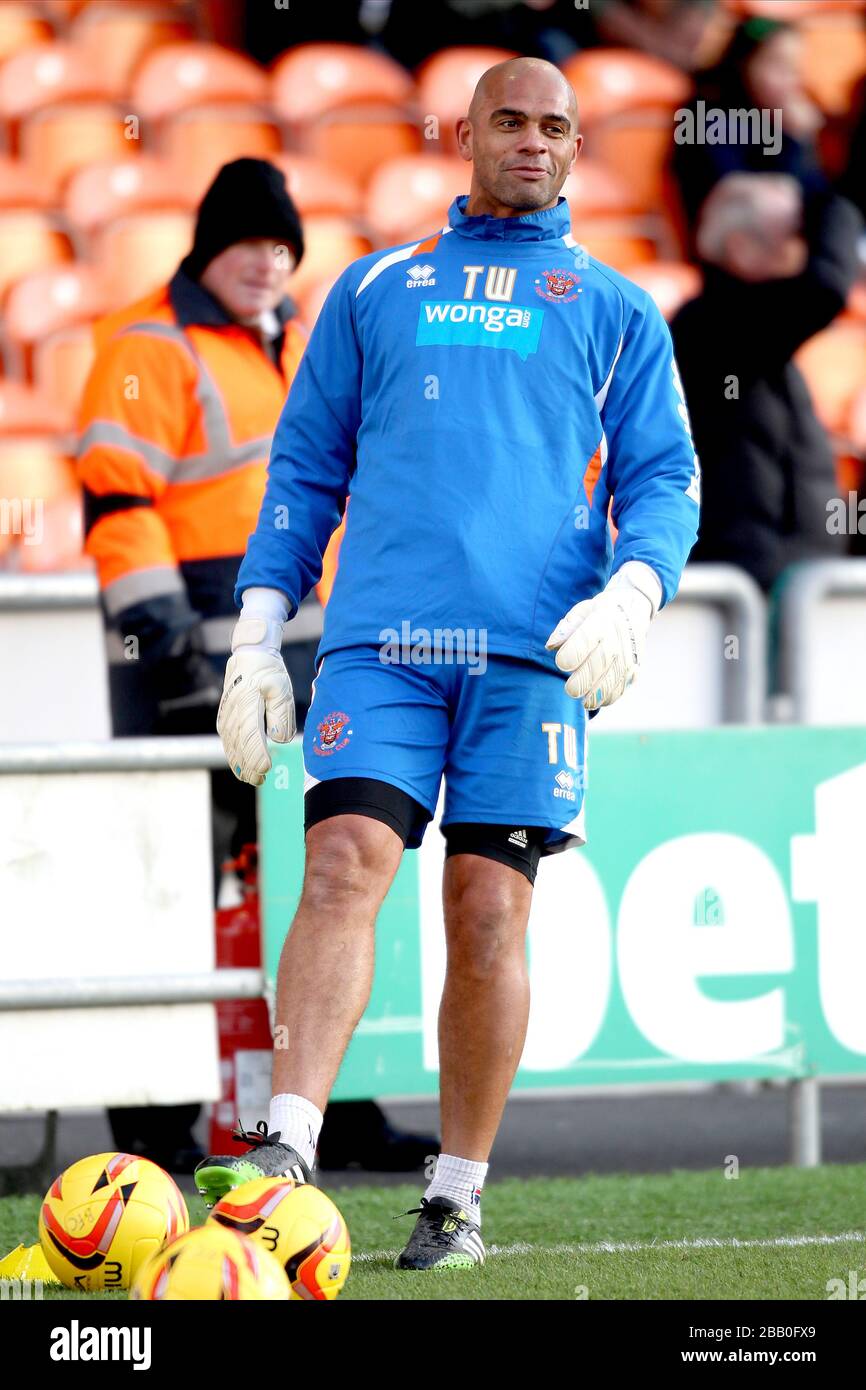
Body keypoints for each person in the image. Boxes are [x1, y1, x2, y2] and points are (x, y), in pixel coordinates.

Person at [200, 57, 699, 1270]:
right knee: (342, 857)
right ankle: (285, 1146)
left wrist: (634, 593)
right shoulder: (375, 289)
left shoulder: (615, 307)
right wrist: (257, 635)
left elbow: (664, 482)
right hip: (382, 642)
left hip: (532, 653)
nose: (532, 142)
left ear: (578, 151)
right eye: (510, 121)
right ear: (465, 132)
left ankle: (455, 1198)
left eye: (556, 128)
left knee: (486, 909)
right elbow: (305, 469)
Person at [77, 158, 432, 1174]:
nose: (269, 262)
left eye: (284, 247)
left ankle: (329, 1111)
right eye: (250, 242)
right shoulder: (150, 345)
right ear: (207, 245)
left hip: (297, 650)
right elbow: (116, 506)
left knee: (321, 882)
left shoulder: (290, 346)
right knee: (177, 891)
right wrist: (174, 654)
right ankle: (150, 1130)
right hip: (188, 658)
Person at [671, 174, 862, 591]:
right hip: (746, 581)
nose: (804, 250)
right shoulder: (708, 325)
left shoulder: (766, 339)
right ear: (741, 246)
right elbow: (824, 289)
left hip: (802, 575)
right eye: (793, 235)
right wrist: (836, 206)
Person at [670, 17, 827, 247]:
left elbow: (816, 199)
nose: (790, 82)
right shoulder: (703, 114)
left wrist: (801, 141)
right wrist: (793, 140)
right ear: (745, 63)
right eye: (778, 66)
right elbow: (738, 201)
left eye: (794, 70)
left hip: (780, 246)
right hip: (730, 247)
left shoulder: (777, 117)